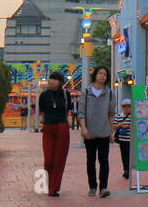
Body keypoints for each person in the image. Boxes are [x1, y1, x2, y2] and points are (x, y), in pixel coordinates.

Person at [79, 65, 114, 197]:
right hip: (90, 132)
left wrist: (111, 132)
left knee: (104, 160)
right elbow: (81, 112)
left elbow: (111, 114)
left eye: (105, 74)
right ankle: (92, 186)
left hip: (104, 132)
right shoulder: (86, 92)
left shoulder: (110, 93)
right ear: (95, 75)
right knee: (91, 160)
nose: (102, 76)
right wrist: (83, 127)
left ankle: (103, 187)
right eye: (100, 73)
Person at [37, 71, 74, 197]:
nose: (51, 81)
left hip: (62, 127)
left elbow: (68, 110)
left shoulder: (65, 94)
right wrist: (44, 123)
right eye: (50, 78)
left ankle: (54, 188)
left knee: (59, 158)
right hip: (48, 127)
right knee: (48, 159)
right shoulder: (43, 95)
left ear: (60, 82)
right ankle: (49, 184)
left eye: (55, 79)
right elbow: (41, 112)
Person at [115, 96, 133, 179]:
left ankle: (128, 170)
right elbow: (113, 126)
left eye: (129, 106)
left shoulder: (134, 116)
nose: (127, 108)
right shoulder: (118, 115)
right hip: (122, 140)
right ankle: (126, 170)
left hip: (131, 140)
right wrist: (121, 125)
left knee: (130, 156)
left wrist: (129, 126)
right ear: (122, 107)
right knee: (124, 155)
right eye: (125, 106)